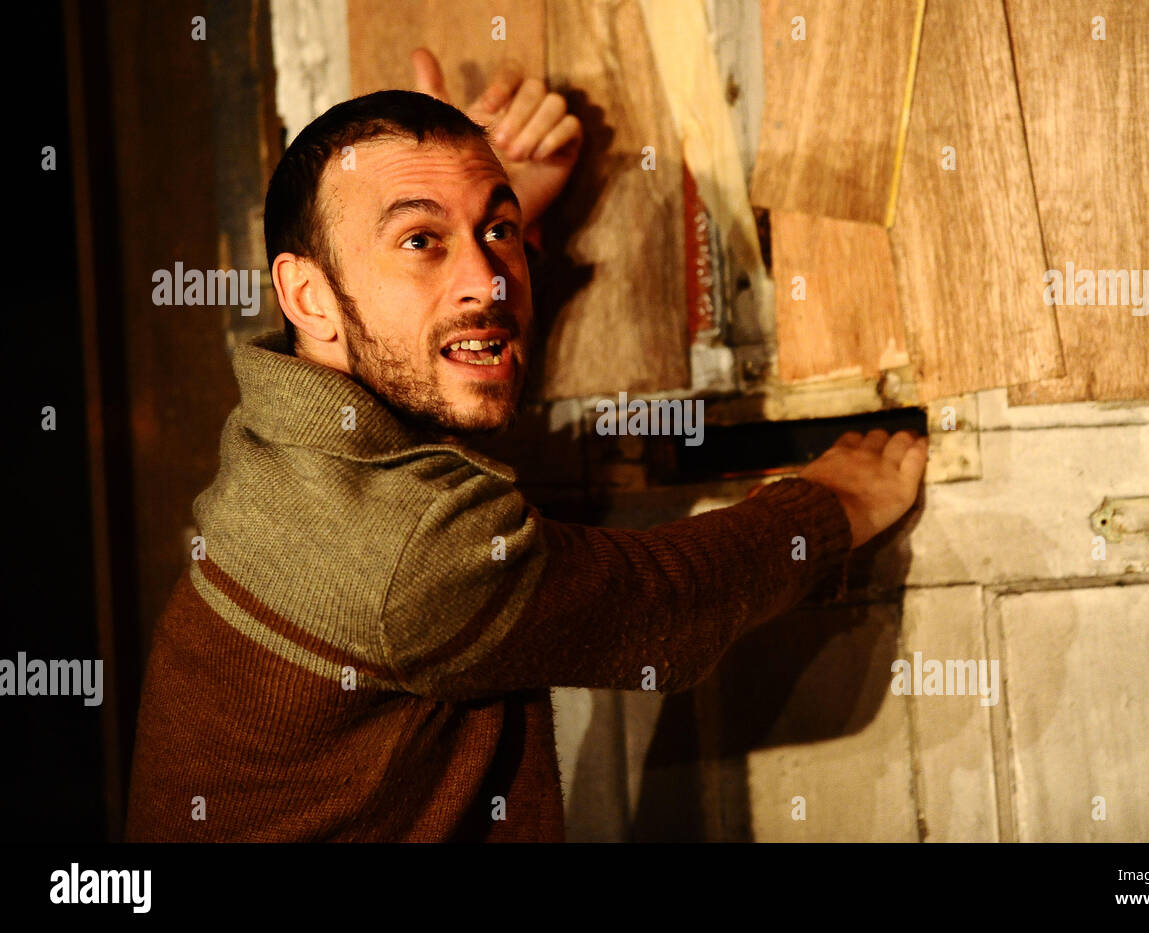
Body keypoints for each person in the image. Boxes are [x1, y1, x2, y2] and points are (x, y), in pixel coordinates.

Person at [124, 52, 928, 842]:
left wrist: (498, 230)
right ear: (308, 295)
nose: (491, 281)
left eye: (495, 230)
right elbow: (662, 609)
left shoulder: (282, 435)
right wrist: (831, 506)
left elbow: (418, 360)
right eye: (418, 241)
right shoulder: (409, 553)